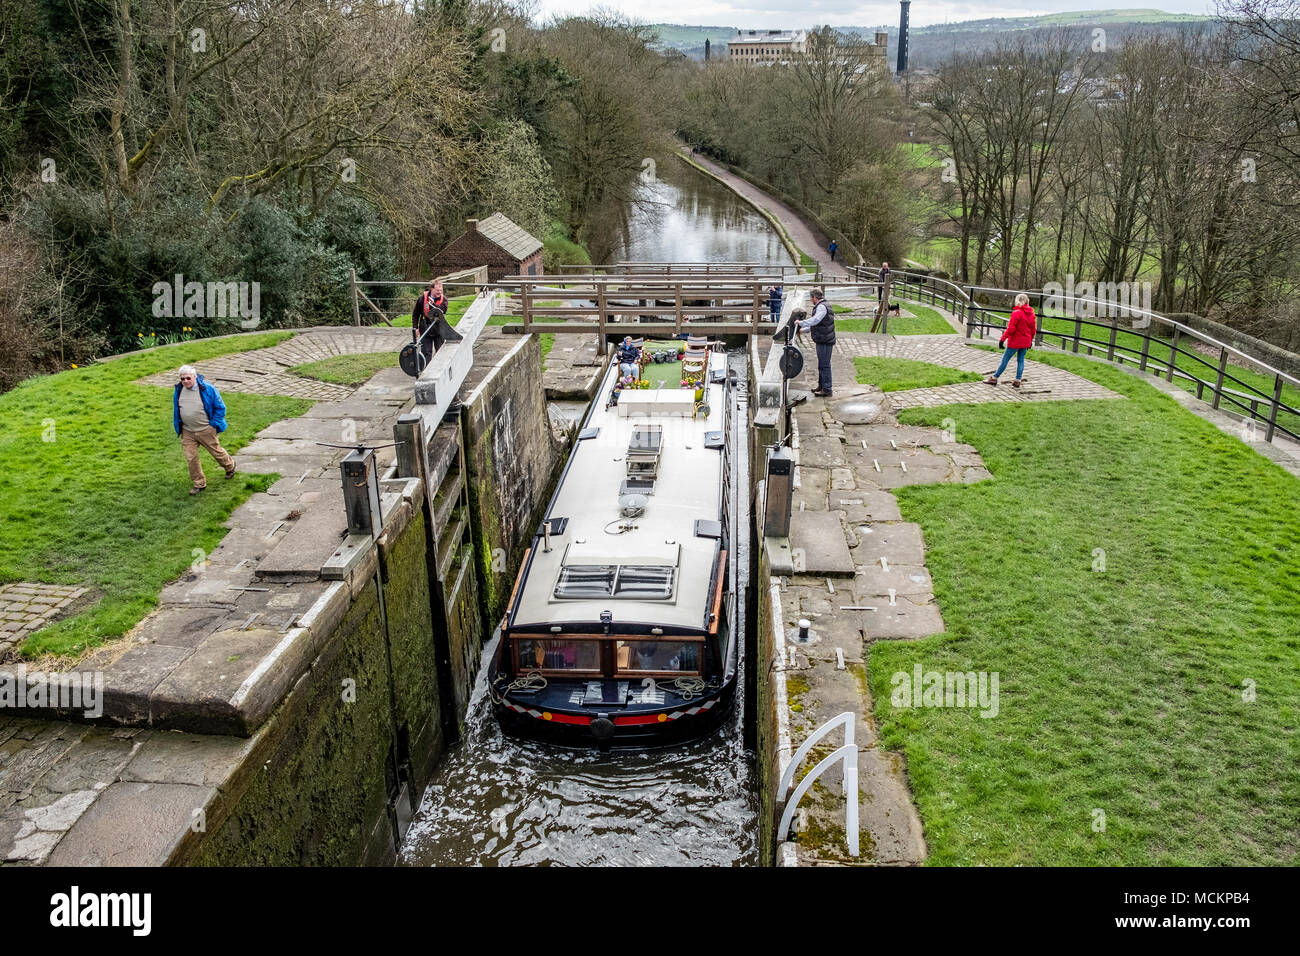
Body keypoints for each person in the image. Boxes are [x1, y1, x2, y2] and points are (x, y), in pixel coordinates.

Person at [173, 365, 235, 495]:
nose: (185, 381)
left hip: (206, 430)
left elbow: (220, 408)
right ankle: (199, 483)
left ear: (195, 377)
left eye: (188, 378)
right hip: (187, 431)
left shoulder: (208, 389)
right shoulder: (179, 390)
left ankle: (230, 466)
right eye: (182, 379)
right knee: (191, 458)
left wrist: (213, 425)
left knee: (217, 452)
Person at [984, 292, 1037, 388]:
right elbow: (1033, 330)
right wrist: (1030, 341)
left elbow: (1011, 329)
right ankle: (1018, 380)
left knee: (1005, 359)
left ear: (1018, 301)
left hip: (1015, 342)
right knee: (1021, 360)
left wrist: (1002, 339)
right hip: (1025, 342)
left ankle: (995, 378)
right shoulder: (1031, 314)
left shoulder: (1016, 313)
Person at [796, 288, 836, 397]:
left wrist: (801, 323)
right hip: (823, 339)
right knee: (821, 364)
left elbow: (815, 320)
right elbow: (816, 324)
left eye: (811, 297)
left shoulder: (822, 307)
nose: (810, 300)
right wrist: (802, 330)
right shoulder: (822, 306)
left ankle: (827, 389)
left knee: (824, 365)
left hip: (825, 340)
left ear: (814, 297)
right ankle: (822, 386)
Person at [412, 279, 450, 366]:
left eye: (441, 290)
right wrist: (415, 328)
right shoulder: (422, 299)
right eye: (437, 290)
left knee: (440, 352)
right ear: (431, 289)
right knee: (426, 353)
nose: (439, 292)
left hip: (439, 329)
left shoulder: (444, 300)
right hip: (425, 328)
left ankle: (440, 370)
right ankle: (426, 370)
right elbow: (415, 314)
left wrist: (434, 304)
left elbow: (443, 311)